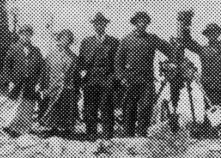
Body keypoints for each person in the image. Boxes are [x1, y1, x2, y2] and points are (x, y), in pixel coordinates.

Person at [115, 11, 173, 137]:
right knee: (129, 107)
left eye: (144, 21)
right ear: (135, 23)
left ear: (147, 23)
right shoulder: (126, 40)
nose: (142, 24)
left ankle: (142, 133)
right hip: (130, 80)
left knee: (146, 106)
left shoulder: (152, 38)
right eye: (139, 21)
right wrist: (121, 78)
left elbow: (169, 50)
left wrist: (173, 56)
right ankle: (128, 135)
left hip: (147, 80)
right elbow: (118, 62)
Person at [185, 23, 221, 136]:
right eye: (209, 34)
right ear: (206, 36)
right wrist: (186, 25)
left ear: (218, 34)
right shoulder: (203, 50)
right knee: (211, 118)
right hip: (210, 90)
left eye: (214, 33)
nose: (212, 36)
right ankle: (211, 144)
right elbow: (188, 42)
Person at [79, 12, 119, 140]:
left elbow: (117, 63)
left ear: (105, 25)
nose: (99, 26)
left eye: (102, 23)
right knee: (90, 108)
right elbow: (81, 62)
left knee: (107, 108)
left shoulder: (113, 42)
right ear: (93, 25)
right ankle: (91, 135)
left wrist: (113, 79)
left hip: (107, 80)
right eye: (96, 24)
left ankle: (108, 135)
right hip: (90, 81)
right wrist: (82, 76)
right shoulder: (86, 42)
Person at [2, 25, 44, 136]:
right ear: (19, 35)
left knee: (28, 104)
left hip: (31, 83)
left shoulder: (36, 50)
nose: (25, 36)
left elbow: (41, 68)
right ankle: (11, 127)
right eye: (23, 34)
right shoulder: (13, 48)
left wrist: (39, 83)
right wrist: (9, 81)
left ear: (31, 36)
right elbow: (7, 66)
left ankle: (25, 128)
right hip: (17, 82)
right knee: (15, 104)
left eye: (28, 34)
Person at [39, 29, 80, 137]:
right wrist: (43, 86)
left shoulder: (74, 57)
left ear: (70, 42)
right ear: (59, 39)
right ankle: (52, 128)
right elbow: (44, 71)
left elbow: (77, 75)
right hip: (53, 86)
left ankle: (66, 129)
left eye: (68, 40)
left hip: (68, 87)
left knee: (66, 108)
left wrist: (77, 89)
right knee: (53, 107)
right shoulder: (51, 55)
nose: (65, 42)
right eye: (63, 39)